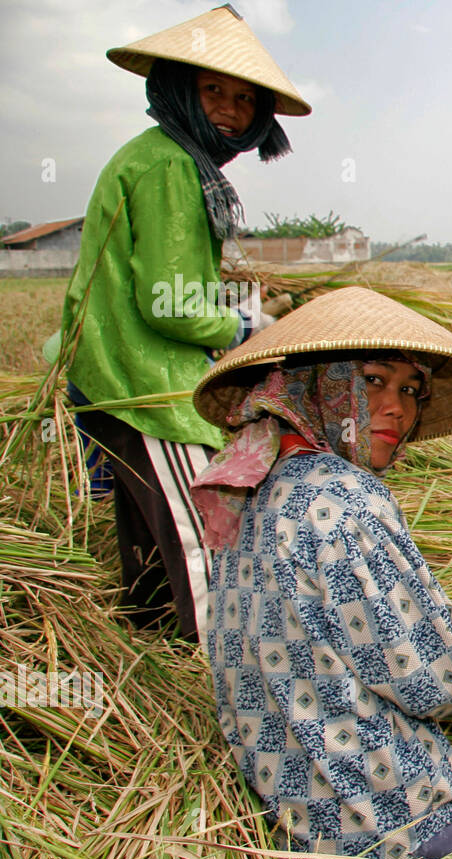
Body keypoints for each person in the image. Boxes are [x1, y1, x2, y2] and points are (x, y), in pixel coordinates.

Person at [191, 286, 452, 859]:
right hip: (393, 829)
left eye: (411, 390)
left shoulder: (256, 491)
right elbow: (438, 679)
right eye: (372, 381)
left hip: (298, 830)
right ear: (320, 383)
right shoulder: (340, 501)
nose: (400, 408)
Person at [59, 5, 310, 639]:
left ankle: (153, 648)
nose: (229, 107)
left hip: (111, 370)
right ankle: (235, 686)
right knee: (204, 532)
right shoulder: (170, 164)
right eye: (212, 90)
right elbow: (167, 306)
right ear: (175, 88)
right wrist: (246, 328)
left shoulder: (167, 158)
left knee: (146, 530)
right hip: (148, 380)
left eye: (245, 98)